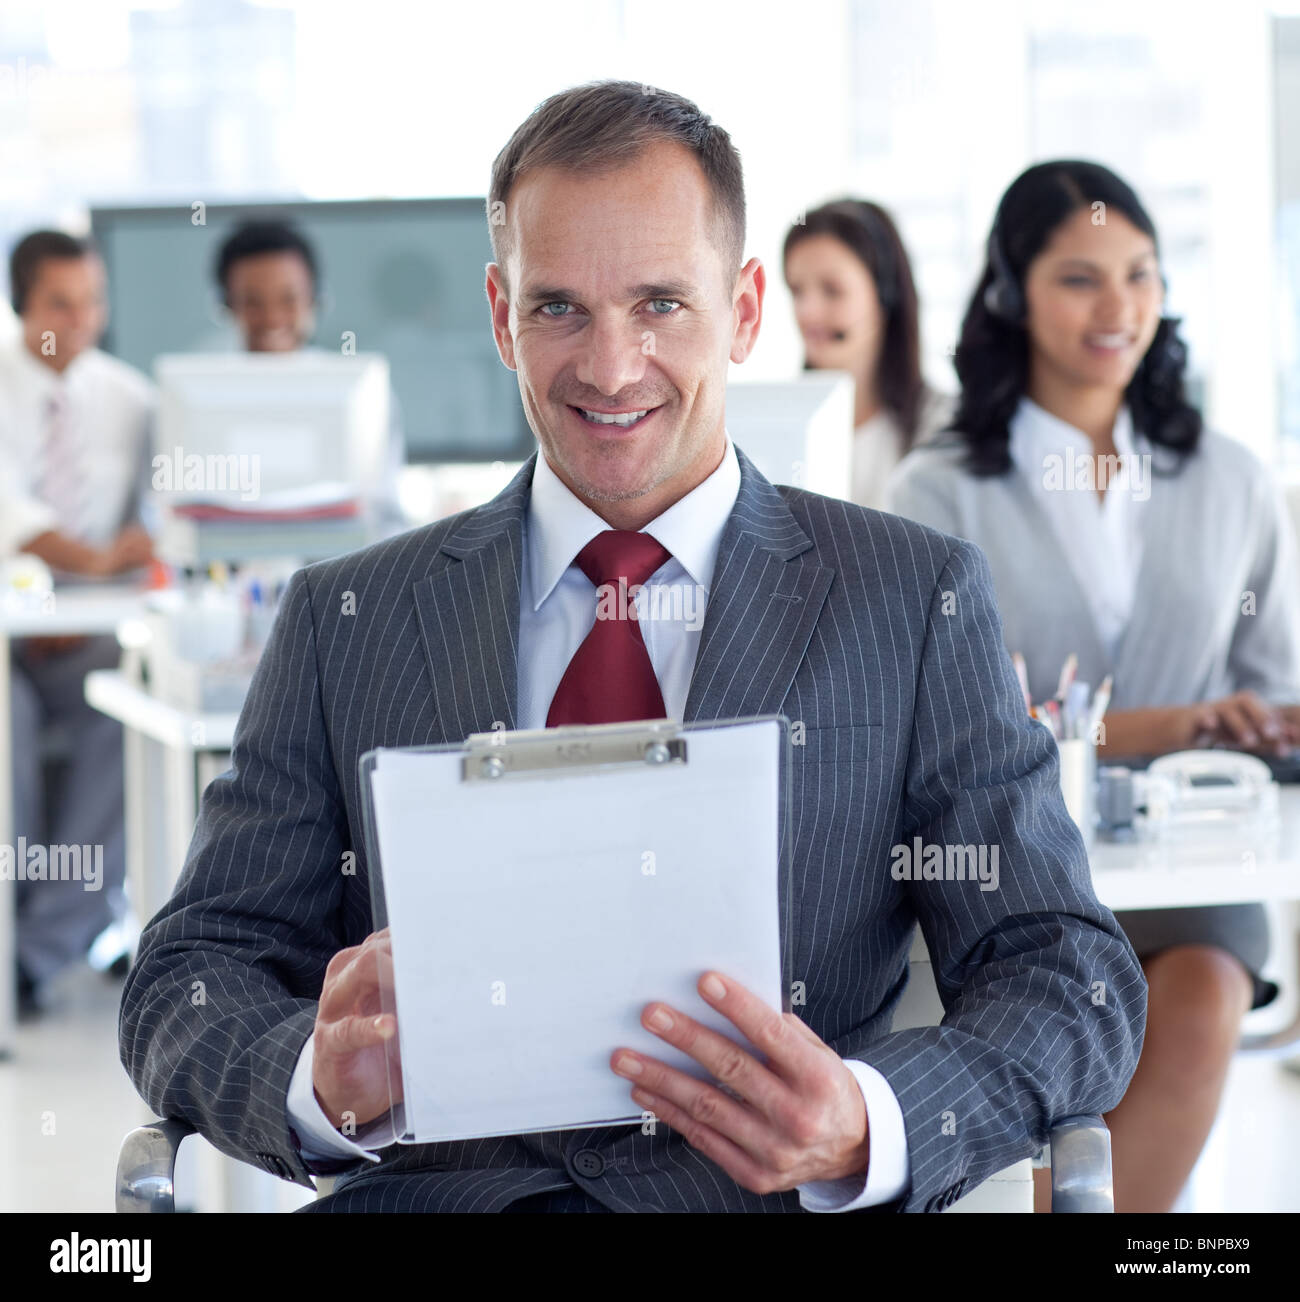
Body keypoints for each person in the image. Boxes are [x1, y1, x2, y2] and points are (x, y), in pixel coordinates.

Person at [121, 84, 1144, 1214]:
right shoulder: (345, 616)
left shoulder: (909, 596)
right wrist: (321, 1082)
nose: (611, 369)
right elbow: (186, 974)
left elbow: (1070, 975)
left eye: (660, 302)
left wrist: (865, 1116)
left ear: (746, 309)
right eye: (560, 308)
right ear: (501, 312)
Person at [887, 159, 1300, 1212]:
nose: (1119, 307)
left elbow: (1269, 682)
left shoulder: (1230, 478)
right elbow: (928, 735)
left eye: (1141, 274)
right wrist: (1169, 724)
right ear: (1011, 294)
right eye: (1080, 277)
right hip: (1012, 867)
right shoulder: (937, 490)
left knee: (1207, 985)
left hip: (1187, 873)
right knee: (1034, 1022)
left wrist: (1261, 727)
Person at [0, 229, 156, 1015]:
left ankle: (38, 952)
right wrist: (86, 565)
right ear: (21, 304)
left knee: (122, 716)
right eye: (62, 302)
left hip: (83, 638)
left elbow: (153, 521)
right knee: (9, 733)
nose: (83, 318)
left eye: (93, 299)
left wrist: (123, 562)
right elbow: (11, 516)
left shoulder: (129, 400)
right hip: (7, 643)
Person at [213, 219, 408, 532]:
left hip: (341, 570)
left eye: (288, 299)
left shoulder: (362, 394)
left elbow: (383, 513)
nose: (272, 317)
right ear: (226, 306)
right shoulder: (202, 392)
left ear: (315, 300)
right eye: (253, 302)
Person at [783, 200, 950, 509]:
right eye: (797, 291)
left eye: (832, 290)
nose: (806, 312)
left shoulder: (943, 425)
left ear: (885, 296)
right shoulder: (780, 422)